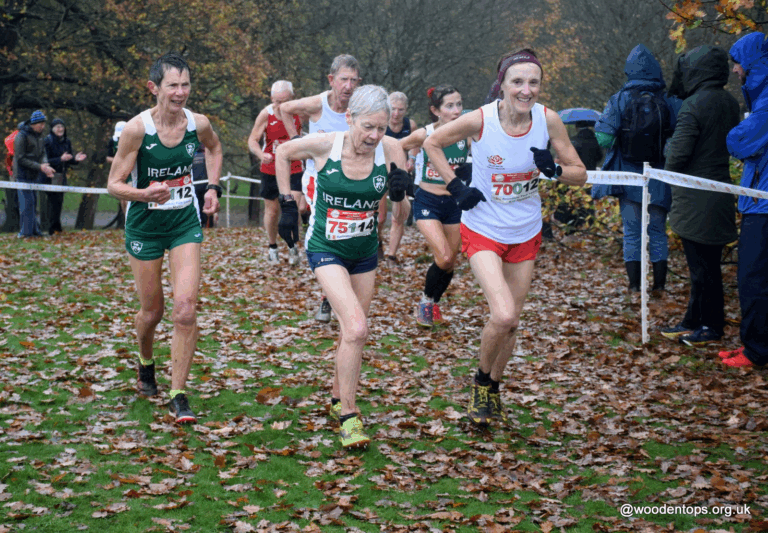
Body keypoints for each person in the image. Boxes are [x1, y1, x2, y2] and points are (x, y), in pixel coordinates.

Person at [423, 49, 587, 427]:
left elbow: (581, 174)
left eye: (533, 82)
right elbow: (432, 144)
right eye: (518, 82)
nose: (526, 90)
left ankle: (494, 387)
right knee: (504, 313)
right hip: (483, 227)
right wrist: (455, 186)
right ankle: (481, 382)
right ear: (503, 84)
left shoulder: (548, 120)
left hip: (525, 231)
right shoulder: (480, 120)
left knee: (512, 323)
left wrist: (555, 169)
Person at [275, 85, 409, 449]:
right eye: (367, 127)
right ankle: (350, 417)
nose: (374, 136)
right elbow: (283, 151)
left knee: (352, 334)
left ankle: (337, 399)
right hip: (325, 249)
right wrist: (288, 202)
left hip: (366, 252)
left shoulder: (391, 149)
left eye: (381, 129)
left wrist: (399, 193)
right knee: (357, 326)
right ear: (349, 118)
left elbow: (402, 215)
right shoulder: (325, 144)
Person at [106, 53, 223, 423]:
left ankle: (178, 394)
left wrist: (213, 188)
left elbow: (215, 148)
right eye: (172, 85)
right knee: (152, 312)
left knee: (185, 308)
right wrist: (145, 194)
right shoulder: (137, 130)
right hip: (144, 225)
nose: (180, 92)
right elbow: (114, 185)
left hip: (183, 222)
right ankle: (145, 361)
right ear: (154, 88)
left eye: (185, 84)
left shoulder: (198, 123)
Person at [659, 45, 740, 347]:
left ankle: (710, 327)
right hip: (721, 192)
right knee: (707, 266)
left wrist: (667, 147)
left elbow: (676, 157)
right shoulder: (730, 102)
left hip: (696, 199)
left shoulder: (693, 105)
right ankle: (693, 321)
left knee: (703, 269)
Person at [591, 44, 680, 293]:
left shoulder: (618, 99)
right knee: (658, 232)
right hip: (659, 176)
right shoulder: (670, 102)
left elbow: (604, 139)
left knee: (632, 234)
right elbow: (681, 135)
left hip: (628, 178)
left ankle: (634, 287)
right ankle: (660, 286)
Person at [280, 54, 362, 322]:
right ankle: (329, 296)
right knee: (328, 230)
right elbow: (285, 108)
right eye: (343, 80)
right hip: (319, 179)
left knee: (349, 234)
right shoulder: (318, 103)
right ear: (331, 80)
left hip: (352, 180)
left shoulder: (360, 105)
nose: (348, 86)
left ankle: (338, 290)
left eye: (353, 80)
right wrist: (296, 140)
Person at [400, 85, 469, 327]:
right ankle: (426, 303)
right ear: (435, 110)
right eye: (450, 106)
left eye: (459, 104)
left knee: (450, 261)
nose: (457, 110)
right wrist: (402, 170)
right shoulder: (424, 133)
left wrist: (471, 168)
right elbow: (400, 146)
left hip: (454, 203)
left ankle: (432, 301)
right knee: (444, 254)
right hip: (427, 200)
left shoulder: (467, 134)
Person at [719, 32, 768, 368]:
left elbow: (739, 142)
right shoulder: (759, 100)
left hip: (763, 207)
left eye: (737, 63)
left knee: (753, 278)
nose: (735, 71)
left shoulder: (765, 104)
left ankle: (756, 351)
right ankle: (755, 346)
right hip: (758, 201)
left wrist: (740, 131)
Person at [247, 80, 304, 265]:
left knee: (292, 208)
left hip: (294, 167)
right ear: (272, 99)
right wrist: (260, 153)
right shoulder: (266, 114)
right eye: (277, 101)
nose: (281, 106)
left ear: (292, 98)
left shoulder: (299, 112)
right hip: (270, 168)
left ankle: (292, 245)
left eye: (285, 101)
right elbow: (252, 140)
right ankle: (272, 247)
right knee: (272, 211)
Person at [383, 91, 417, 267]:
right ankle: (378, 245)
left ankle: (391, 256)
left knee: (398, 216)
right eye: (393, 109)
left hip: (400, 173)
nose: (396, 114)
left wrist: (411, 159)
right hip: (380, 171)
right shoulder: (380, 121)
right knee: (380, 218)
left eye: (400, 110)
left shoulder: (409, 124)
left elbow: (414, 146)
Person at [13, 110, 55, 238]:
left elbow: (43, 153)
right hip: (22, 174)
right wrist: (40, 167)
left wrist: (46, 166)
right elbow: (20, 158)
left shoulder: (40, 136)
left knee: (33, 202)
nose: (42, 126)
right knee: (26, 204)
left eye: (43, 124)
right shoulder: (21, 136)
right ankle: (25, 233)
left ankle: (35, 230)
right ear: (33, 123)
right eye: (40, 124)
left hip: (34, 174)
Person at [44, 118, 87, 234]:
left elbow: (68, 159)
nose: (60, 129)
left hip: (61, 175)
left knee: (59, 202)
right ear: (52, 129)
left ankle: (57, 228)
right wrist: (60, 159)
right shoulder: (47, 141)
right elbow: (46, 161)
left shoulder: (67, 141)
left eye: (62, 126)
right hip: (49, 175)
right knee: (53, 202)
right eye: (57, 127)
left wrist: (75, 159)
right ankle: (52, 229)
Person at [107, 121, 128, 217]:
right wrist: (118, 161)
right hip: (118, 172)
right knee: (123, 200)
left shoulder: (133, 140)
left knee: (129, 199)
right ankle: (126, 222)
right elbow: (108, 158)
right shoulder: (112, 140)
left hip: (131, 172)